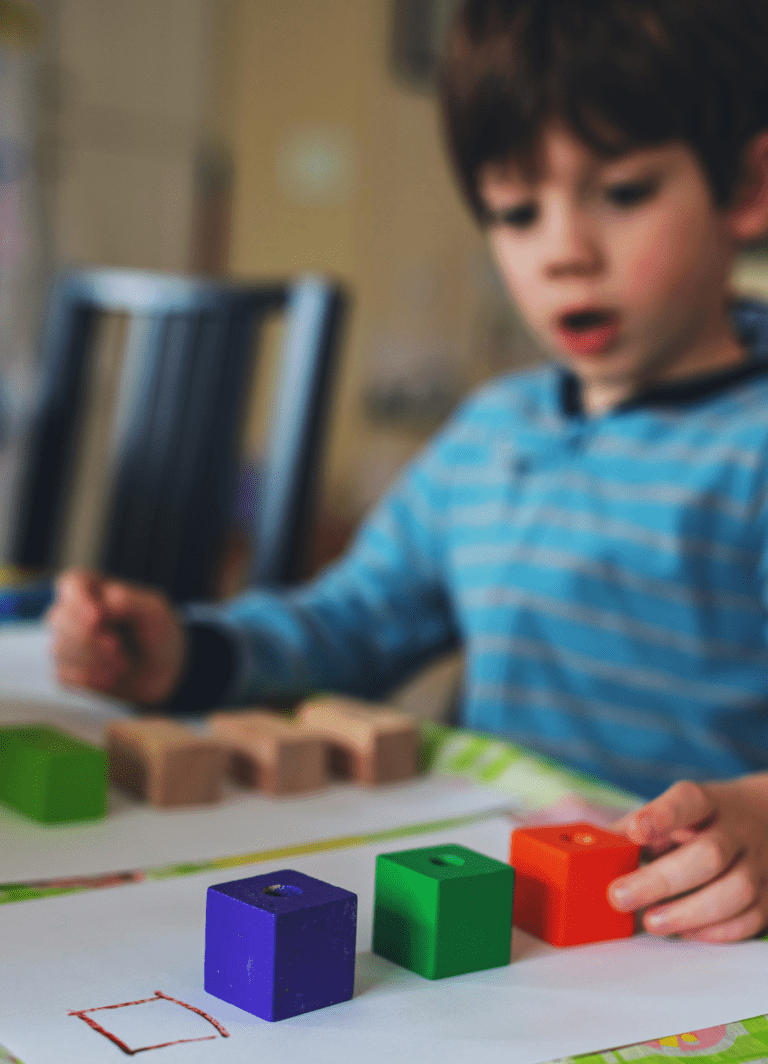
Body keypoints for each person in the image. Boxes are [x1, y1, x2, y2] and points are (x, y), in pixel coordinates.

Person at [49, 0, 768, 942]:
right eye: (516, 212)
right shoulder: (491, 432)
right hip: (492, 914)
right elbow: (352, 620)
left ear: (749, 187)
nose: (564, 252)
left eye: (623, 192)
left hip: (684, 938)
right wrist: (185, 649)